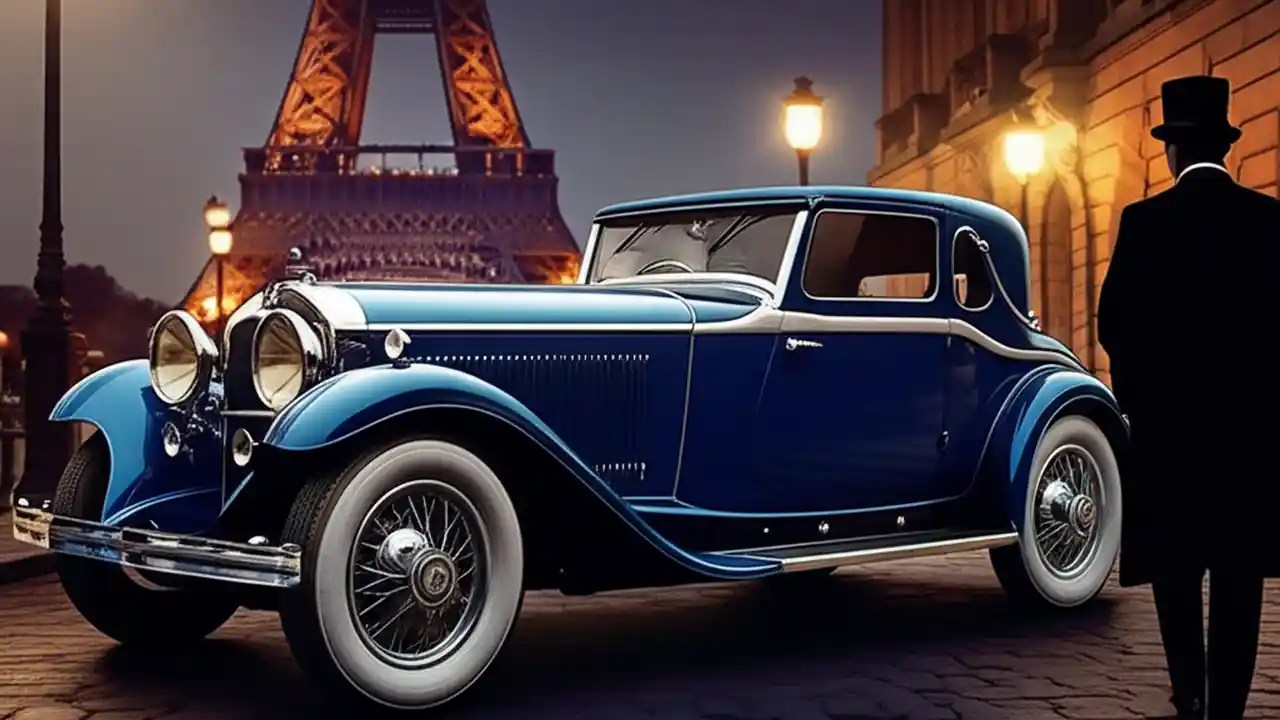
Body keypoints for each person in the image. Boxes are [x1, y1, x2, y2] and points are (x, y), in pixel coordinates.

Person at [1098, 75, 1280, 720]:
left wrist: (1141, 402)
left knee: (1177, 576)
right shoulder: (1269, 221)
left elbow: (1113, 324)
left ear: (1171, 152)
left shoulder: (1143, 222)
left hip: (1169, 433)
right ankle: (1227, 706)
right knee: (1240, 579)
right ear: (1225, 148)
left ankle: (1190, 697)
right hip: (1249, 437)